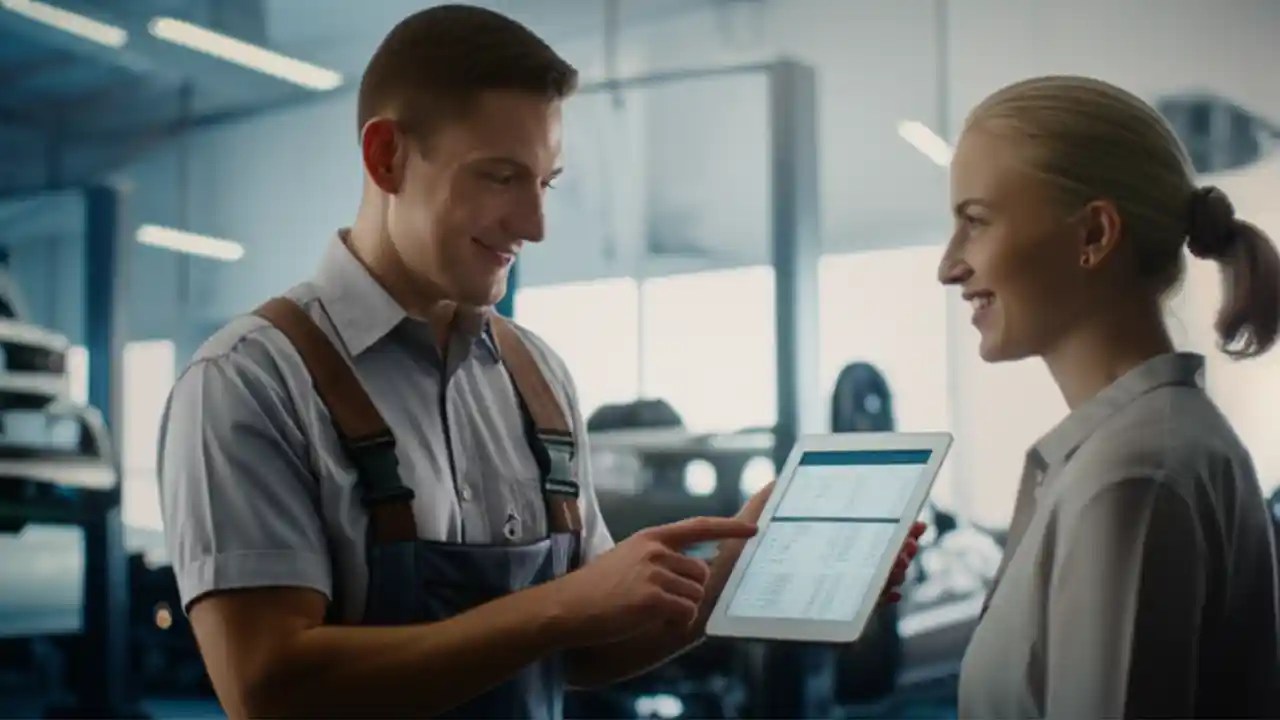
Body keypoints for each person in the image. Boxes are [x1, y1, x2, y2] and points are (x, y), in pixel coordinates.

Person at [157, 6, 917, 718]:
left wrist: (742, 576)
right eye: (501, 176)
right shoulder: (250, 383)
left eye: (546, 182)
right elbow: (268, 688)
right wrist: (561, 605)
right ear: (387, 158)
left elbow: (582, 651)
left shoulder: (537, 379)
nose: (536, 224)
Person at [938, 74, 1280, 718]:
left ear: (1094, 235)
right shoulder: (1140, 448)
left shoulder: (1130, 475)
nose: (949, 265)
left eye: (975, 223)